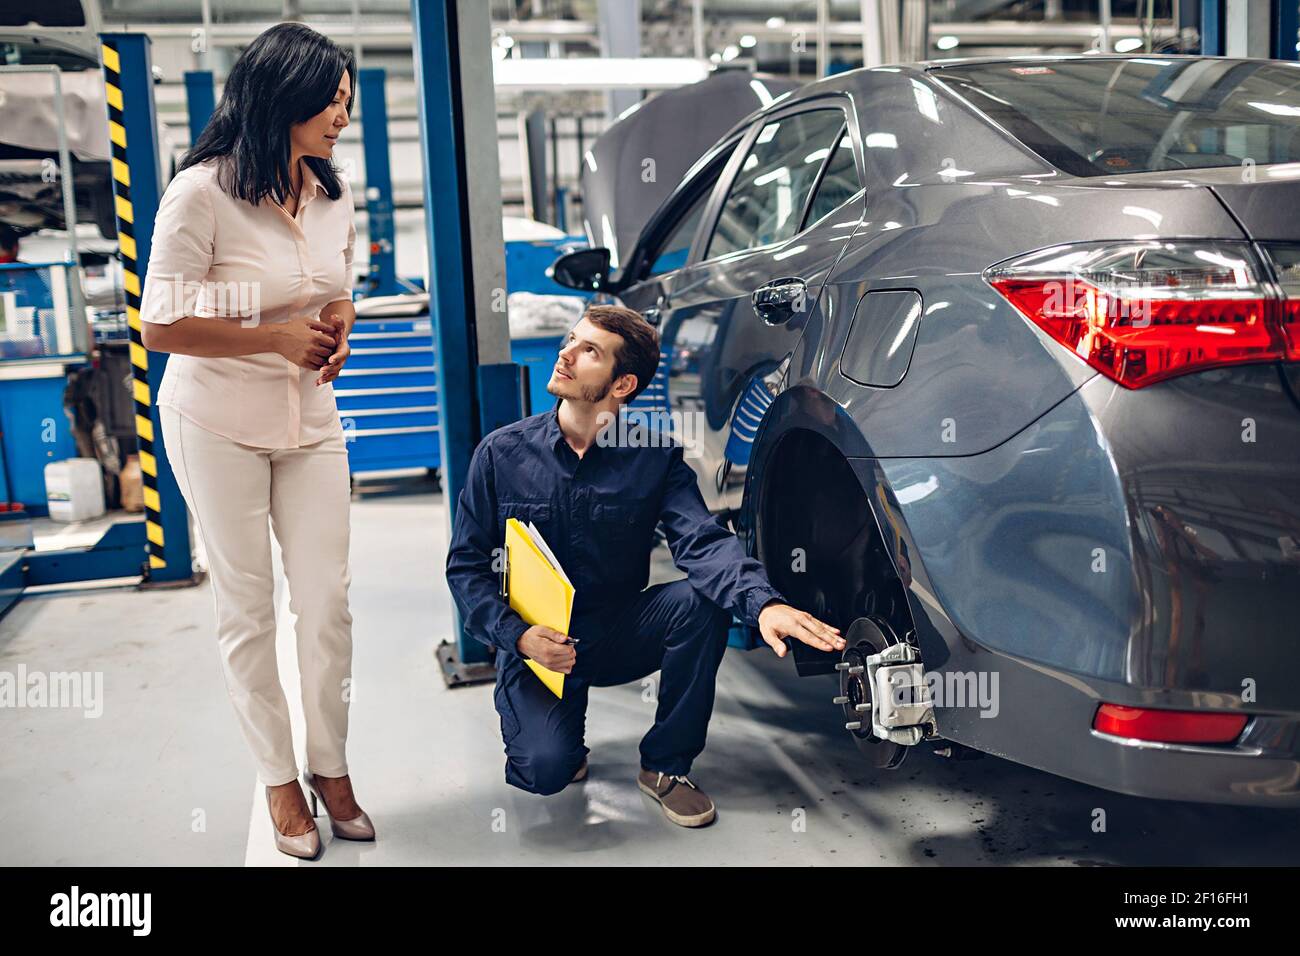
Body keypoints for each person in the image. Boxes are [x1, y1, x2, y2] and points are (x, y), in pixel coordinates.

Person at [445, 304, 846, 828]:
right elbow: (466, 568)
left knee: (701, 601)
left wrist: (764, 603)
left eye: (588, 350)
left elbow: (702, 543)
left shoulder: (652, 457)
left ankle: (665, 766)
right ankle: (564, 735)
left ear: (623, 383)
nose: (565, 353)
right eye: (570, 339)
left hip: (616, 630)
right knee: (546, 771)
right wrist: (518, 637)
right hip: (536, 641)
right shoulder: (501, 454)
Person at [138, 22, 372, 860]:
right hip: (216, 422)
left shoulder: (332, 194)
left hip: (309, 423)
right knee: (246, 606)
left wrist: (339, 322)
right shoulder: (199, 194)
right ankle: (279, 779)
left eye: (348, 101)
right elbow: (160, 325)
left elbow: (337, 289)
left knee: (326, 605)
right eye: (333, 101)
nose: (344, 116)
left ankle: (331, 767)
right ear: (285, 98)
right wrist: (271, 339)